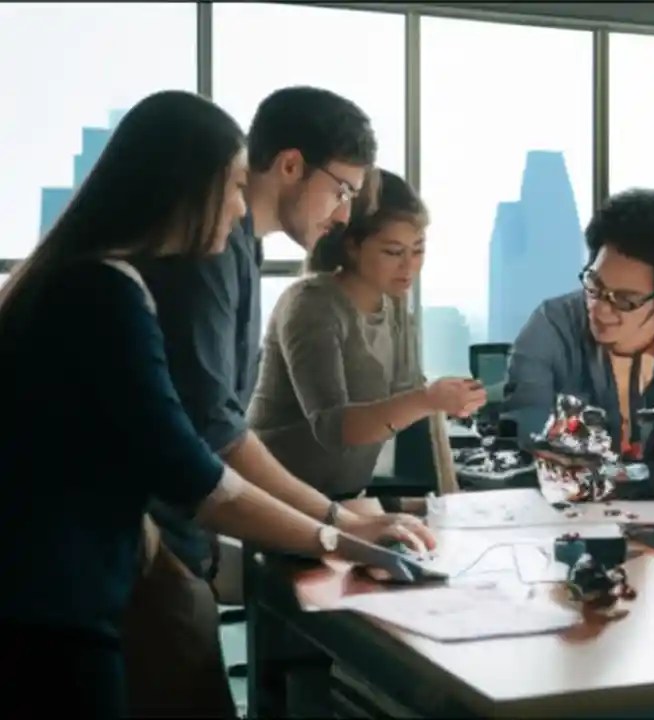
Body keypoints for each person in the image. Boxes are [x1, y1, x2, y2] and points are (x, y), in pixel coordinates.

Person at [0, 90, 430, 718]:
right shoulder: (107, 293)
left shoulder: (79, 279)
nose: (238, 204)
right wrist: (340, 536)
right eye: (230, 184)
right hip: (63, 599)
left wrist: (339, 530)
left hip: (63, 588)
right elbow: (197, 459)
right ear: (180, 187)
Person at [129, 86, 429, 716]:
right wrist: (340, 530)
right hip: (146, 538)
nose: (346, 215)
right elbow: (216, 433)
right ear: (290, 165)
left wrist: (342, 525)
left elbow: (225, 424)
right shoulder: (214, 246)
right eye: (343, 190)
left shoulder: (242, 246)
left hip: (182, 532)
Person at [248, 168, 486, 509]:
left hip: (345, 502)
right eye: (393, 252)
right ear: (352, 246)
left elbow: (408, 398)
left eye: (417, 250)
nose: (409, 266)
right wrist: (429, 399)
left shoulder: (396, 306)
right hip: (278, 505)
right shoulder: (311, 305)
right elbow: (334, 428)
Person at [503, 188, 654, 499]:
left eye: (624, 300)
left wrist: (603, 473)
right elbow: (527, 434)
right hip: (553, 508)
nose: (600, 309)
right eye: (594, 285)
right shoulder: (551, 326)